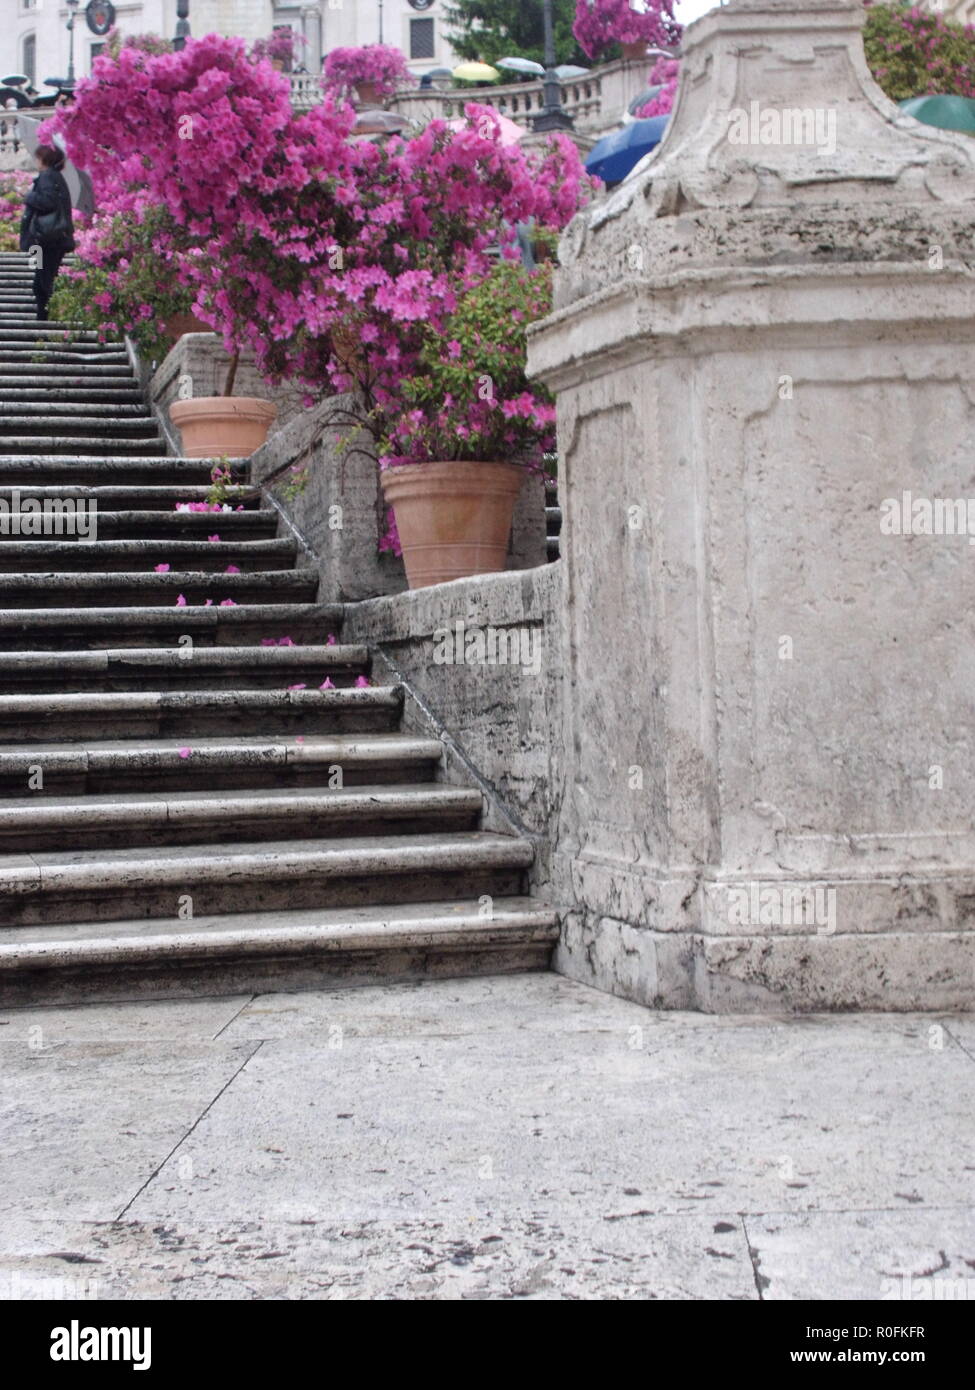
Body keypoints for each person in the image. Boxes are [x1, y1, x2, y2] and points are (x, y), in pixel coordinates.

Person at [19, 144, 75, 321]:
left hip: (44, 240)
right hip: (51, 238)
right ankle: (45, 317)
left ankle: (46, 318)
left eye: (38, 157)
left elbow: (48, 202)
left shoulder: (47, 176)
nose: (36, 161)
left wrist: (28, 196)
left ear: (44, 159)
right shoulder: (55, 177)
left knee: (42, 280)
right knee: (42, 278)